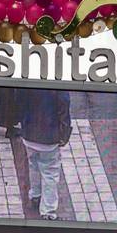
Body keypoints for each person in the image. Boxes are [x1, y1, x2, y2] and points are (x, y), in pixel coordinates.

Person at [19, 89, 72, 220]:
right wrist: (64, 135)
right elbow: (64, 109)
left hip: (29, 134)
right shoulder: (58, 86)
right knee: (50, 174)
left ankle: (35, 195)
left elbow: (18, 100)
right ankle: (48, 211)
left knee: (33, 166)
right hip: (49, 138)